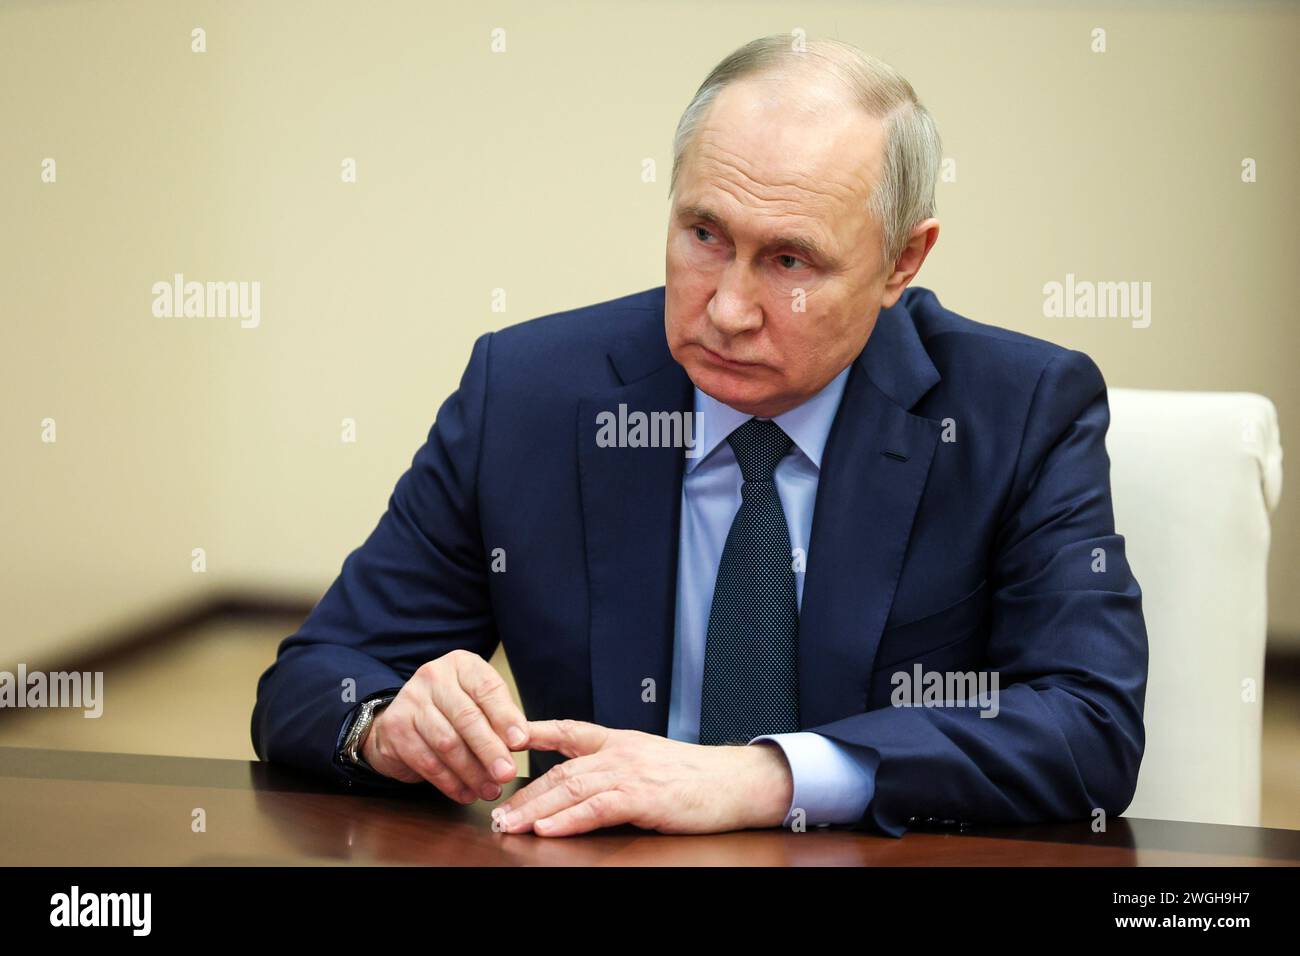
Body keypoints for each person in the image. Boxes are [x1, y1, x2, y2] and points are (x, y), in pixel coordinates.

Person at [251, 34, 1147, 838]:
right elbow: (310, 682)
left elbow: (1087, 727)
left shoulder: (1018, 410)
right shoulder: (528, 392)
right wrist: (385, 727)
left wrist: (765, 776)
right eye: (704, 235)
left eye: (790, 261)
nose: (725, 309)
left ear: (902, 262)